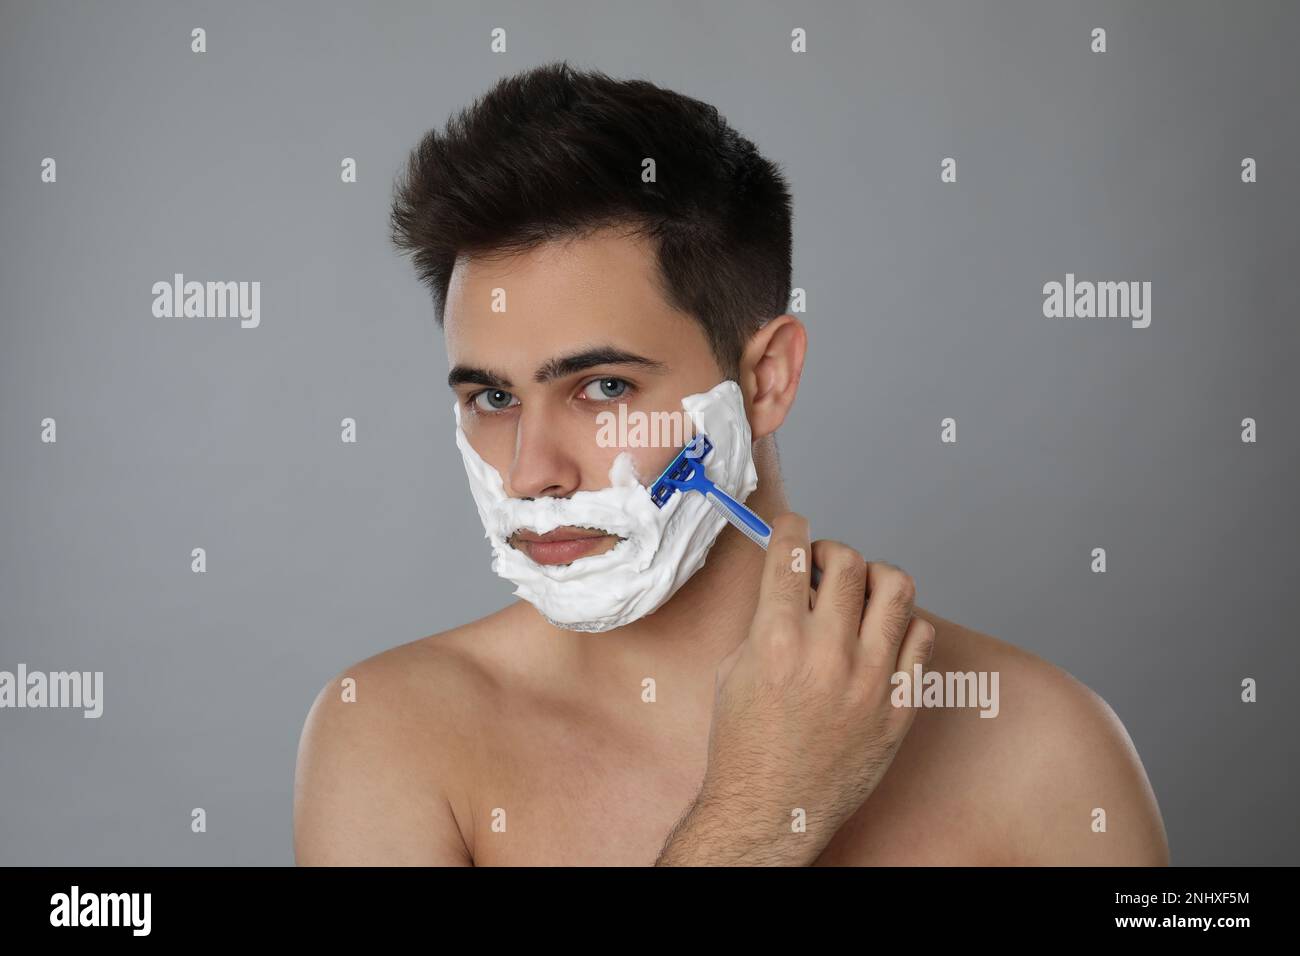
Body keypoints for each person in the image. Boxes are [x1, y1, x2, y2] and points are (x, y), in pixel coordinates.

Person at [293, 61, 1169, 866]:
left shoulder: (1039, 743)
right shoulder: (392, 736)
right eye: (492, 399)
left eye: (602, 388)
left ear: (765, 379)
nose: (533, 472)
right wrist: (761, 810)